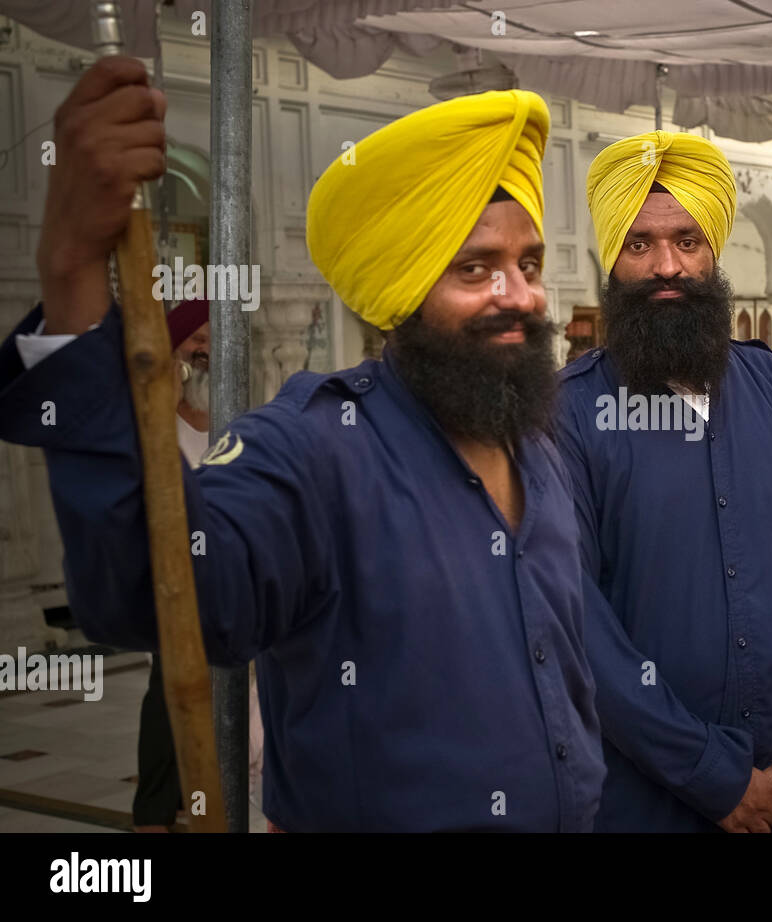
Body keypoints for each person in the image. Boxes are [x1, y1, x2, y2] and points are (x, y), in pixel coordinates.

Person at [0, 58, 605, 831]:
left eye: (527, 265)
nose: (517, 295)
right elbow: (148, 589)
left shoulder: (538, 450)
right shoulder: (317, 448)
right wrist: (72, 272)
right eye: (474, 269)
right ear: (401, 292)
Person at [555, 130, 772, 833]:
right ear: (610, 260)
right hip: (650, 799)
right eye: (639, 244)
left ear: (714, 254)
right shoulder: (566, 415)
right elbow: (573, 621)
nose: (667, 265)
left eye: (688, 241)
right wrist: (714, 774)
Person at [132, 298, 209, 833]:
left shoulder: (232, 412)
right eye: (195, 339)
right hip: (173, 577)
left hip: (223, 571)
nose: (205, 349)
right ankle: (152, 815)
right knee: (168, 691)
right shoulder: (154, 418)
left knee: (212, 693)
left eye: (213, 340)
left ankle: (194, 796)